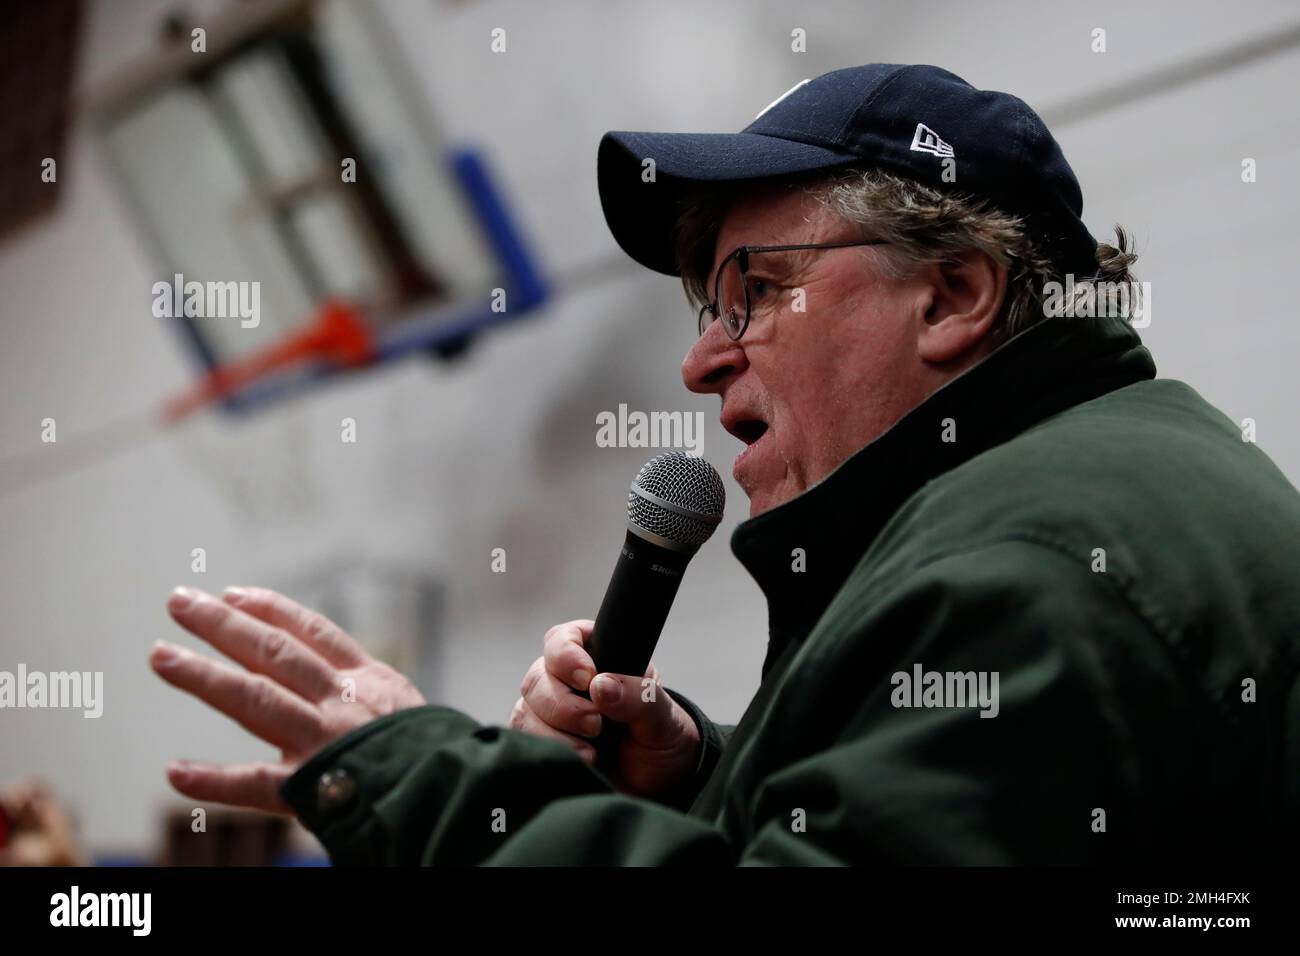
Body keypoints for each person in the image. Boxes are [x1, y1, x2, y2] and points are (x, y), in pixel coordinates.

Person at [150, 64, 1300, 864]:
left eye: (755, 288)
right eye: (709, 301)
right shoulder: (1066, 500)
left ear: (951, 293)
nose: (702, 361)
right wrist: (700, 775)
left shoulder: (1027, 566)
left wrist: (433, 788)